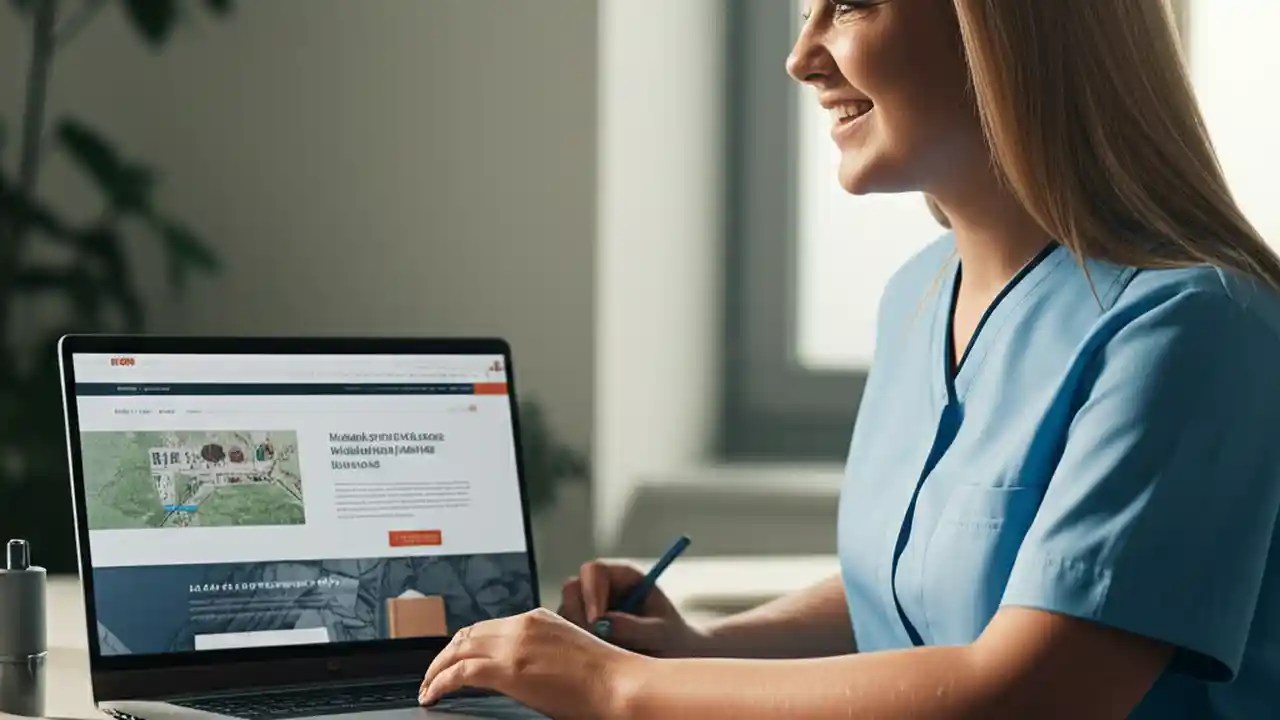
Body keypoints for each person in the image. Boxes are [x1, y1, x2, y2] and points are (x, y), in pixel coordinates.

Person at [420, 1, 1280, 717]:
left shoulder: (1195, 328)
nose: (801, 56)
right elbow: (921, 584)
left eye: (852, 4)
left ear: (1007, 27)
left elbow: (1035, 690)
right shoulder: (916, 296)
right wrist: (706, 647)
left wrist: (619, 685)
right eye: (803, 10)